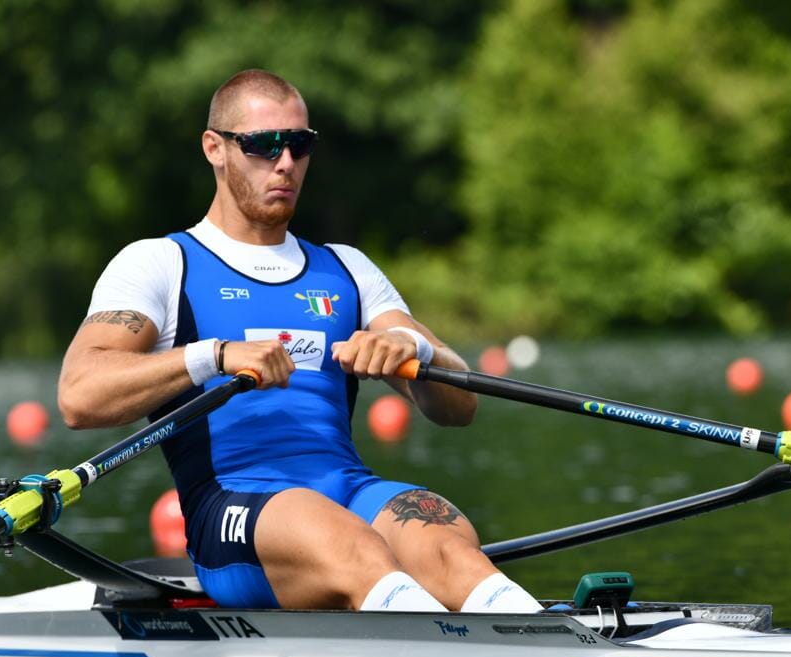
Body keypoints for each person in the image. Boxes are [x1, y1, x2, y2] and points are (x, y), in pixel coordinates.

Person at [58, 69, 540, 614]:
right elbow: (79, 395)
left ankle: (542, 637)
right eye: (263, 144)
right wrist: (213, 355)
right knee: (349, 545)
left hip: (350, 491)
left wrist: (415, 349)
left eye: (299, 144)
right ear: (215, 148)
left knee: (447, 541)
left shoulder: (347, 269)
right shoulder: (160, 263)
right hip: (234, 508)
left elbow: (461, 407)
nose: (285, 162)